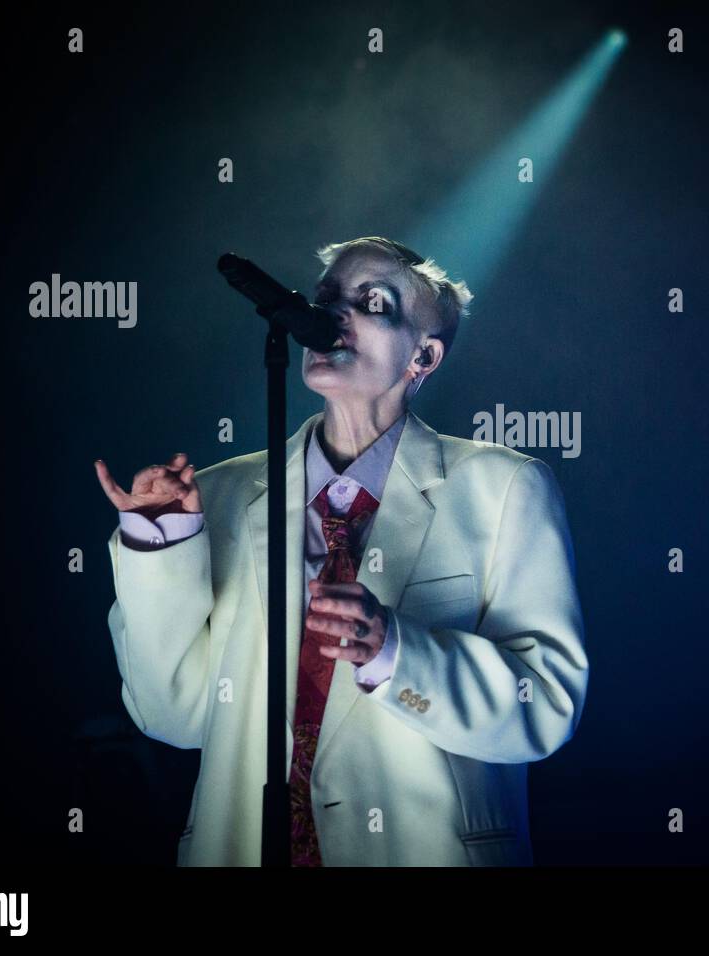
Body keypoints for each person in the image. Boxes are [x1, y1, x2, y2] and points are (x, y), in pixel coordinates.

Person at [94, 236, 588, 865]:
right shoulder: (216, 496)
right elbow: (175, 716)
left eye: (371, 303)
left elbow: (544, 705)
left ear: (424, 356)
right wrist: (158, 546)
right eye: (327, 300)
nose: (333, 317)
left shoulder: (505, 488)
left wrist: (395, 653)